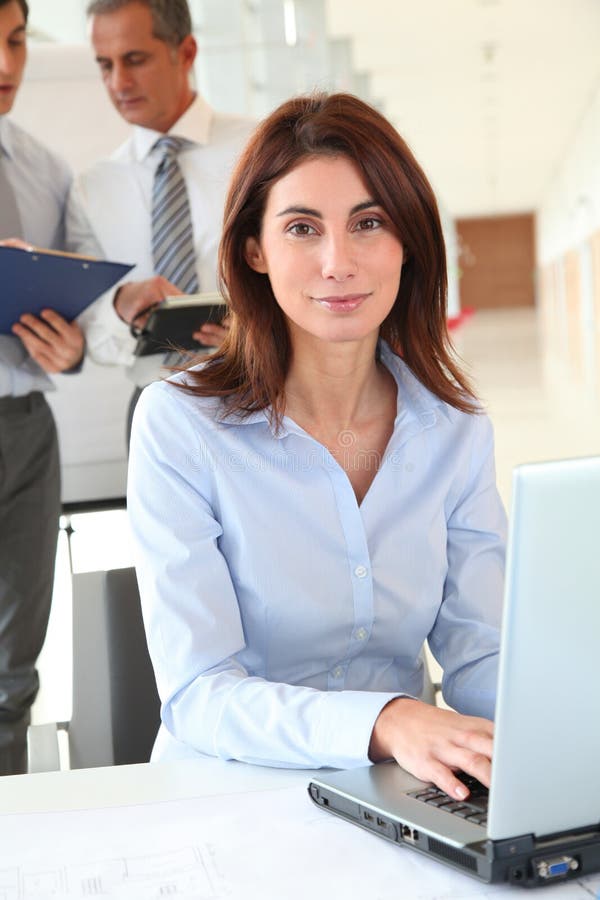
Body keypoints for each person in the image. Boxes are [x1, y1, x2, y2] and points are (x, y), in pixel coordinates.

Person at [128, 93, 507, 801]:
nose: (338, 262)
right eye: (303, 228)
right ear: (255, 250)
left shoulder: (455, 427)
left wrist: (561, 723)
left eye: (369, 223)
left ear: (409, 244)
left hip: (397, 795)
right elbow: (199, 692)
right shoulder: (178, 425)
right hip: (226, 796)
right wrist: (385, 720)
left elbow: (482, 651)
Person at [67, 0, 254, 435]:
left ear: (186, 52)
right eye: (104, 65)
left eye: (135, 59)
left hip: (260, 389)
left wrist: (259, 331)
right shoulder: (92, 188)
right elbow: (93, 332)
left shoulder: (260, 148)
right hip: (155, 409)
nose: (119, 82)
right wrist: (119, 308)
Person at [0, 0, 85, 775]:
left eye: (16, 41)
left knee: (11, 675)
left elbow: (91, 296)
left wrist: (73, 346)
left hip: (25, 431)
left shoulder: (47, 169)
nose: (5, 66)